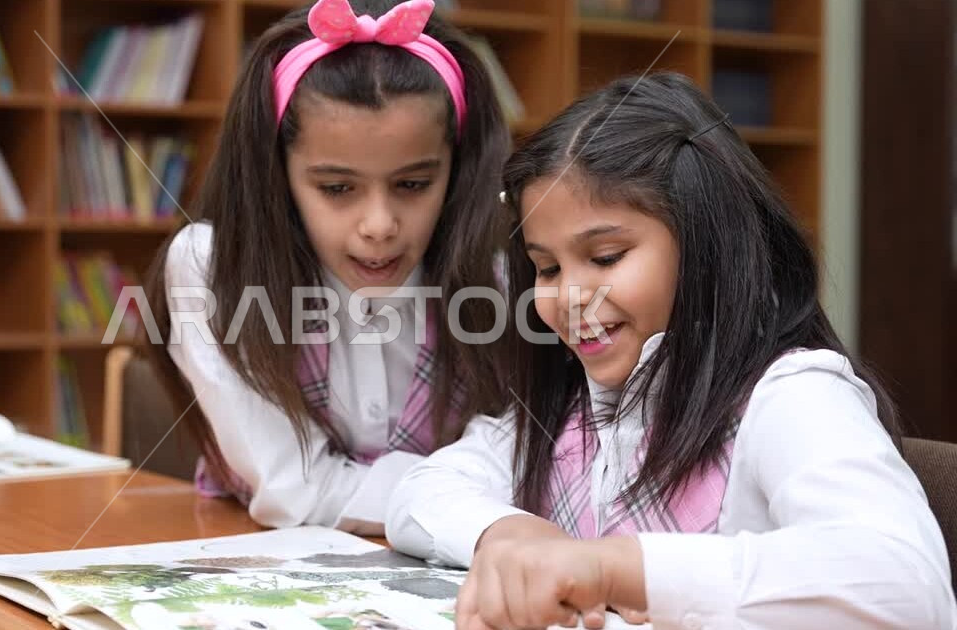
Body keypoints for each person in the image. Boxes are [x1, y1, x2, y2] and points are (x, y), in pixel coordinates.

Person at [386, 72, 957, 629]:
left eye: (606, 257)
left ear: (708, 246)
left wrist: (613, 567)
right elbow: (417, 493)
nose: (571, 296)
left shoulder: (793, 395)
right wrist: (512, 534)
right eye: (548, 268)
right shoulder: (569, 410)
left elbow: (907, 585)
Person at [145, 0, 511, 534]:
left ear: (457, 169)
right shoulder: (213, 268)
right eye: (337, 189)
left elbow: (524, 460)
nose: (379, 225)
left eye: (412, 185)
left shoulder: (503, 274)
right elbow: (295, 493)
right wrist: (460, 498)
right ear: (277, 173)